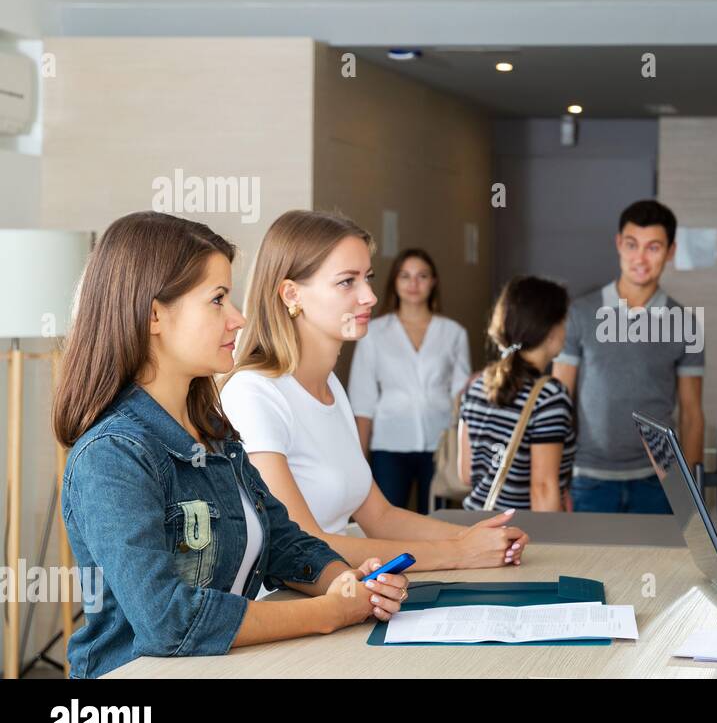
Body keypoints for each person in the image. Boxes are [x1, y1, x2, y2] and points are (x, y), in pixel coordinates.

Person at [53, 211, 408, 679]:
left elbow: (282, 542)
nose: (238, 319)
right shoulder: (112, 454)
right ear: (154, 314)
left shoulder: (213, 430)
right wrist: (329, 612)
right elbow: (169, 621)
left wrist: (344, 581)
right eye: (217, 300)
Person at [221, 210, 528, 574]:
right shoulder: (254, 394)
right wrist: (460, 553)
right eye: (346, 282)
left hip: (346, 593)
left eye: (367, 278)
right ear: (292, 294)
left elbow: (380, 517)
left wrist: (477, 538)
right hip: (286, 601)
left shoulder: (331, 387)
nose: (369, 296)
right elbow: (302, 544)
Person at [552, 199, 704, 514]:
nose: (640, 258)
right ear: (619, 244)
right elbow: (558, 401)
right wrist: (555, 479)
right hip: (589, 479)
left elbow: (692, 413)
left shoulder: (686, 323)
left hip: (660, 481)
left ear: (671, 251)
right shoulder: (580, 313)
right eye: (632, 245)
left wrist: (690, 493)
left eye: (653, 248)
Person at [349, 248, 471, 514]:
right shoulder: (374, 333)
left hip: (441, 443)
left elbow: (462, 399)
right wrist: (358, 460)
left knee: (437, 520)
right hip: (389, 443)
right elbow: (363, 401)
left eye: (422, 276)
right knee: (387, 519)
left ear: (433, 281)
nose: (413, 284)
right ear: (394, 281)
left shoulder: (453, 333)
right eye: (405, 276)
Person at [458, 276, 575, 511]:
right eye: (564, 321)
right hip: (519, 529)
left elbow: (465, 474)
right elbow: (543, 490)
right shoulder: (549, 397)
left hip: (477, 523)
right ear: (550, 330)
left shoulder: (478, 385)